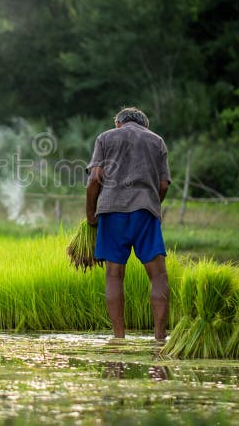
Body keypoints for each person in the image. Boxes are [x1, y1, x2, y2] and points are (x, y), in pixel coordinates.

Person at [86, 107, 171, 341]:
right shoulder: (157, 141)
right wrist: (153, 204)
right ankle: (159, 337)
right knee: (158, 276)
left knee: (114, 276)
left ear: (118, 124)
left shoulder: (105, 138)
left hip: (112, 212)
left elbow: (95, 178)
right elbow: (163, 185)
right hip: (145, 211)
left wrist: (90, 214)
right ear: (145, 125)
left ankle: (119, 337)